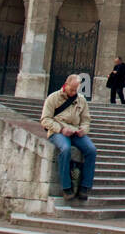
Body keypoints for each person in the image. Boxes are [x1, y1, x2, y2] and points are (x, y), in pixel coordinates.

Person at [41, 73, 97, 201]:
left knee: (91, 150)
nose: (73, 92)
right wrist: (61, 129)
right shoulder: (53, 98)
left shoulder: (81, 100)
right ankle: (67, 187)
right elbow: (45, 120)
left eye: (76, 90)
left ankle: (85, 186)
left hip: (76, 132)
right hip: (58, 131)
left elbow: (86, 120)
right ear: (66, 85)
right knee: (65, 149)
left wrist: (84, 129)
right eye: (71, 89)